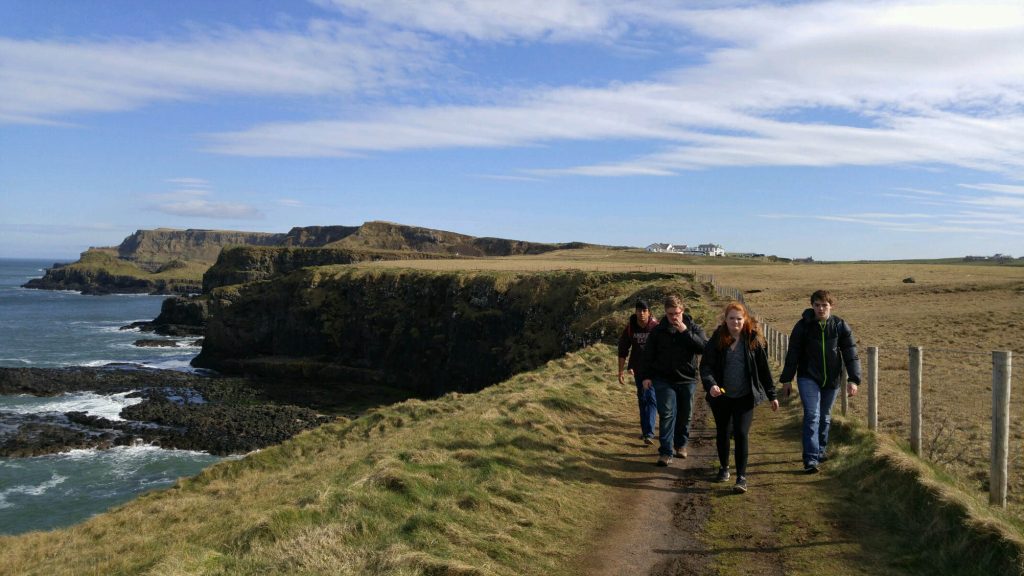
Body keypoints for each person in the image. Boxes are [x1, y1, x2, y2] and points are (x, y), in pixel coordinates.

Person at [779, 289, 862, 474]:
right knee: (812, 415)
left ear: (831, 306)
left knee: (824, 416)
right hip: (808, 377)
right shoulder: (803, 326)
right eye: (817, 305)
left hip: (832, 379)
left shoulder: (840, 326)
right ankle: (810, 459)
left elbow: (851, 354)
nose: (821, 309)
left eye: (824, 305)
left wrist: (854, 379)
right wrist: (786, 380)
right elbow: (793, 354)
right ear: (812, 306)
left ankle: (820, 450)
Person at [700, 301, 779, 493]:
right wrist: (712, 385)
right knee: (723, 432)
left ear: (745, 320)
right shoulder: (717, 339)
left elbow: (763, 370)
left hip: (745, 396)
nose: (735, 322)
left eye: (739, 318)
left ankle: (741, 477)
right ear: (725, 320)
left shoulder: (753, 340)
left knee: (742, 434)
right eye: (731, 318)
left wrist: (772, 395)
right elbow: (706, 366)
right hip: (722, 397)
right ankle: (724, 467)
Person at [641, 294, 708, 467]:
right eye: (670, 314)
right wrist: (646, 376)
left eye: (676, 313)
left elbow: (703, 348)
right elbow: (648, 355)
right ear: (665, 312)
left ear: (682, 311)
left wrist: (684, 331)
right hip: (663, 379)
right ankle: (665, 452)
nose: (673, 317)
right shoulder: (657, 331)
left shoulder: (693, 328)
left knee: (685, 415)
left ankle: (681, 444)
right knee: (667, 413)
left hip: (687, 379)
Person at [617, 299, 659, 445]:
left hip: (653, 369)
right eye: (638, 310)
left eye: (644, 310)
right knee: (642, 398)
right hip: (637, 369)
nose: (641, 313)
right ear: (635, 312)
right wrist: (620, 371)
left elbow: (663, 348)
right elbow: (623, 349)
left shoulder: (655, 327)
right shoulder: (630, 328)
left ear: (649, 312)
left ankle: (649, 433)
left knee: (651, 397)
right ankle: (645, 431)